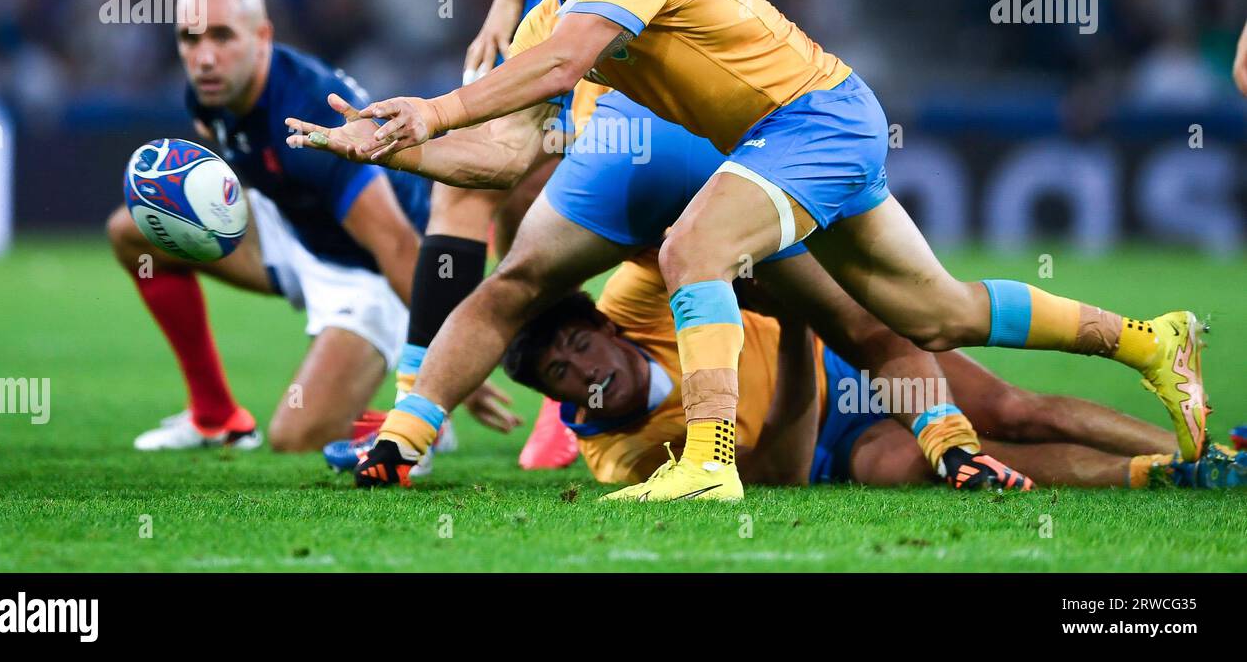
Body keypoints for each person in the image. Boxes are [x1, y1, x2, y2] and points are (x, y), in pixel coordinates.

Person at [289, 0, 1207, 503]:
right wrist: (399, 141)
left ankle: (708, 464)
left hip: (818, 119)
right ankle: (1148, 341)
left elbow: (568, 65)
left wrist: (434, 105)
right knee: (940, 310)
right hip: (802, 136)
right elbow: (506, 155)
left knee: (693, 247)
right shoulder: (545, 18)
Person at [405, 0, 802, 471]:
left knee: (500, 204)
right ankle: (939, 418)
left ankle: (422, 414)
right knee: (830, 285)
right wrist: (739, 4)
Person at [108, 0, 514, 453]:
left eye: (222, 36)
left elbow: (396, 243)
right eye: (190, 39)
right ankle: (215, 417)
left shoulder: (306, 109)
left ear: (262, 37)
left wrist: (450, 364)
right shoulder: (207, 93)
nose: (205, 57)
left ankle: (406, 421)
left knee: (296, 435)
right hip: (299, 232)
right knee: (131, 229)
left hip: (376, 269)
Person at [499, 251, 1246, 492]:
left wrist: (799, 301)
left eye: (577, 348)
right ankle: (1160, 474)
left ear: (600, 323)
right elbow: (781, 473)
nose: (580, 375)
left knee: (1009, 408)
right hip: (817, 432)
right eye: (558, 376)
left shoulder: (639, 296)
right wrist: (792, 323)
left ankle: (1202, 447)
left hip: (844, 352)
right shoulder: (620, 455)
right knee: (903, 463)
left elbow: (683, 232)